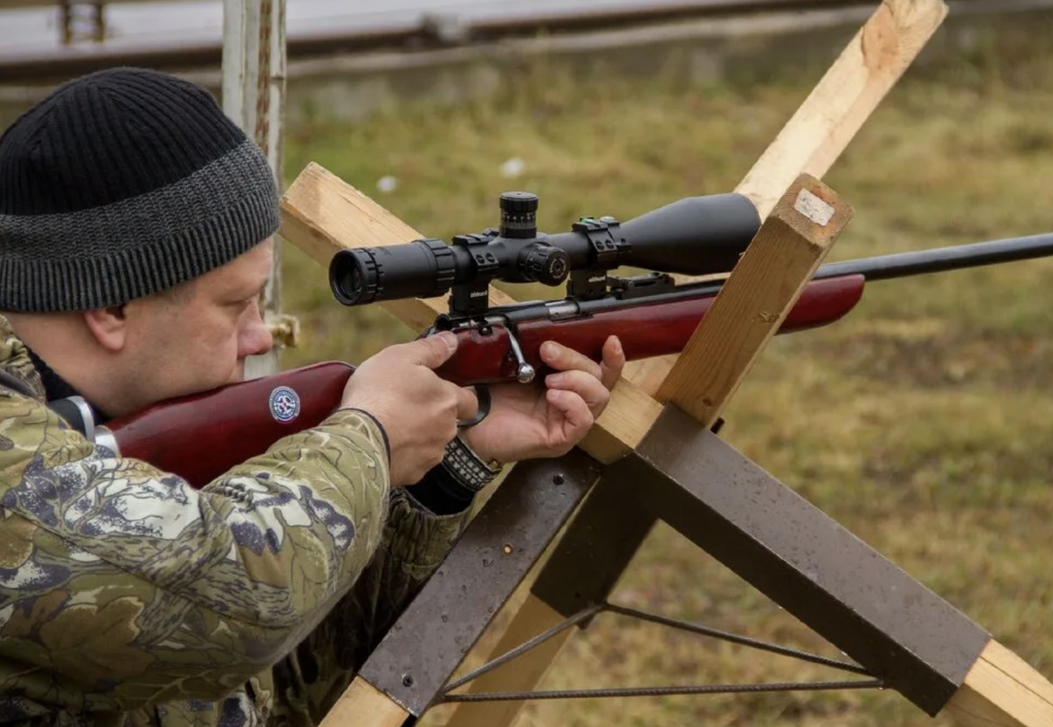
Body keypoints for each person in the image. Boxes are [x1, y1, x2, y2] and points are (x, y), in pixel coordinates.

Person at [0, 67, 625, 727]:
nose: (257, 336)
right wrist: (370, 437)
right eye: (234, 305)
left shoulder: (102, 429)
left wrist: (445, 463)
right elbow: (236, 599)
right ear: (111, 307)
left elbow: (274, 688)